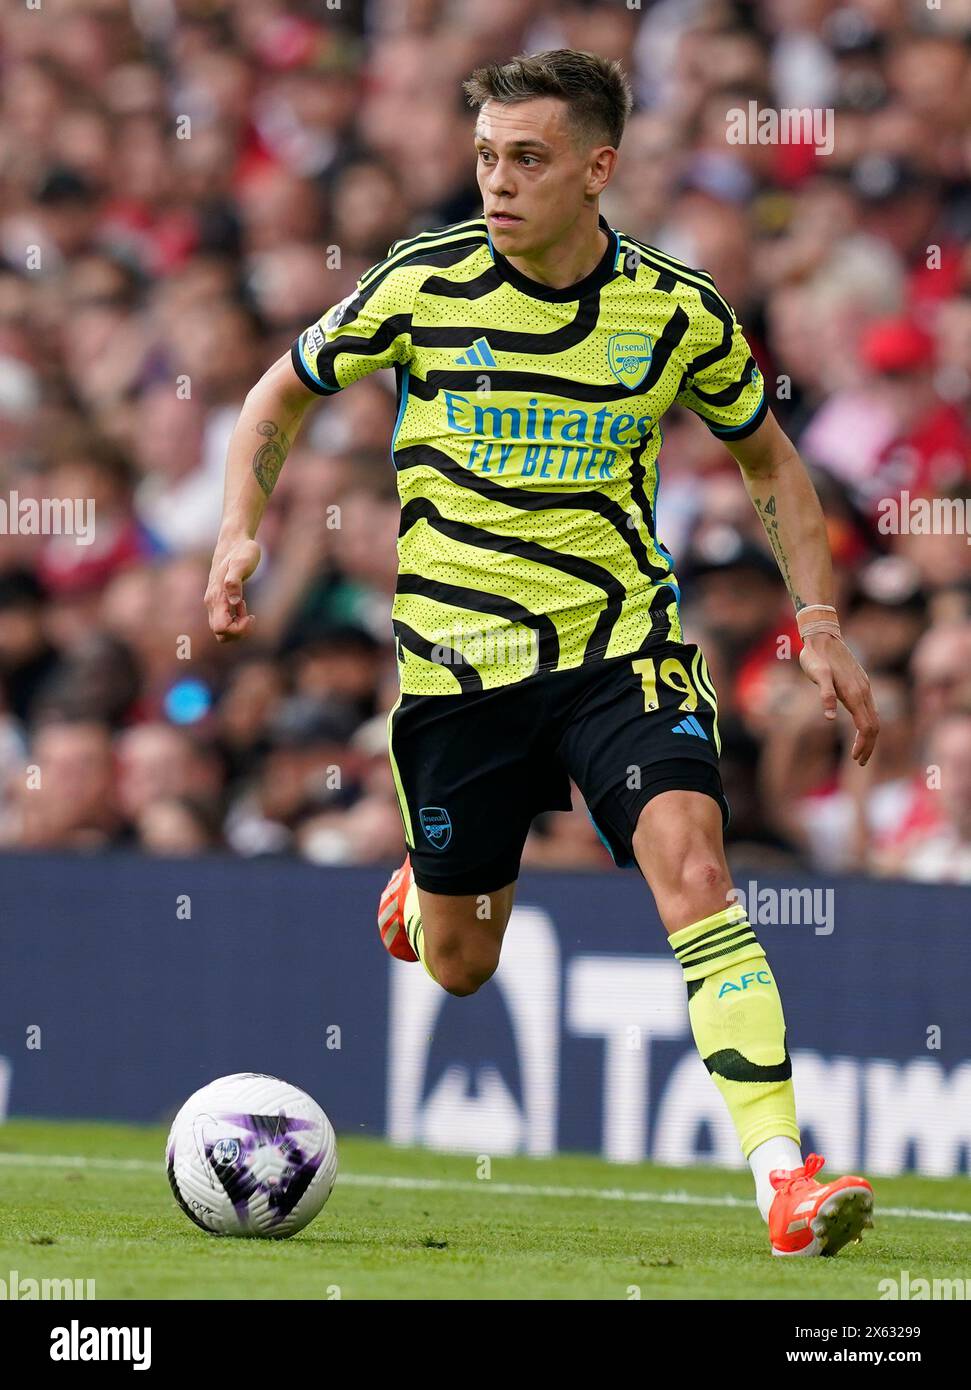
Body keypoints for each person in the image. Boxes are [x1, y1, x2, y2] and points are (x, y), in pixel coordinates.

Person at [205, 49, 880, 1258]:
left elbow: (768, 459)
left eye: (526, 159)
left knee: (696, 871)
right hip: (456, 675)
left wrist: (817, 624)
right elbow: (278, 394)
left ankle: (783, 1174)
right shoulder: (423, 284)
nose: (497, 184)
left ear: (595, 169)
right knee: (461, 968)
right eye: (484, 158)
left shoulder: (675, 310)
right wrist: (239, 539)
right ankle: (429, 886)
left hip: (620, 650)